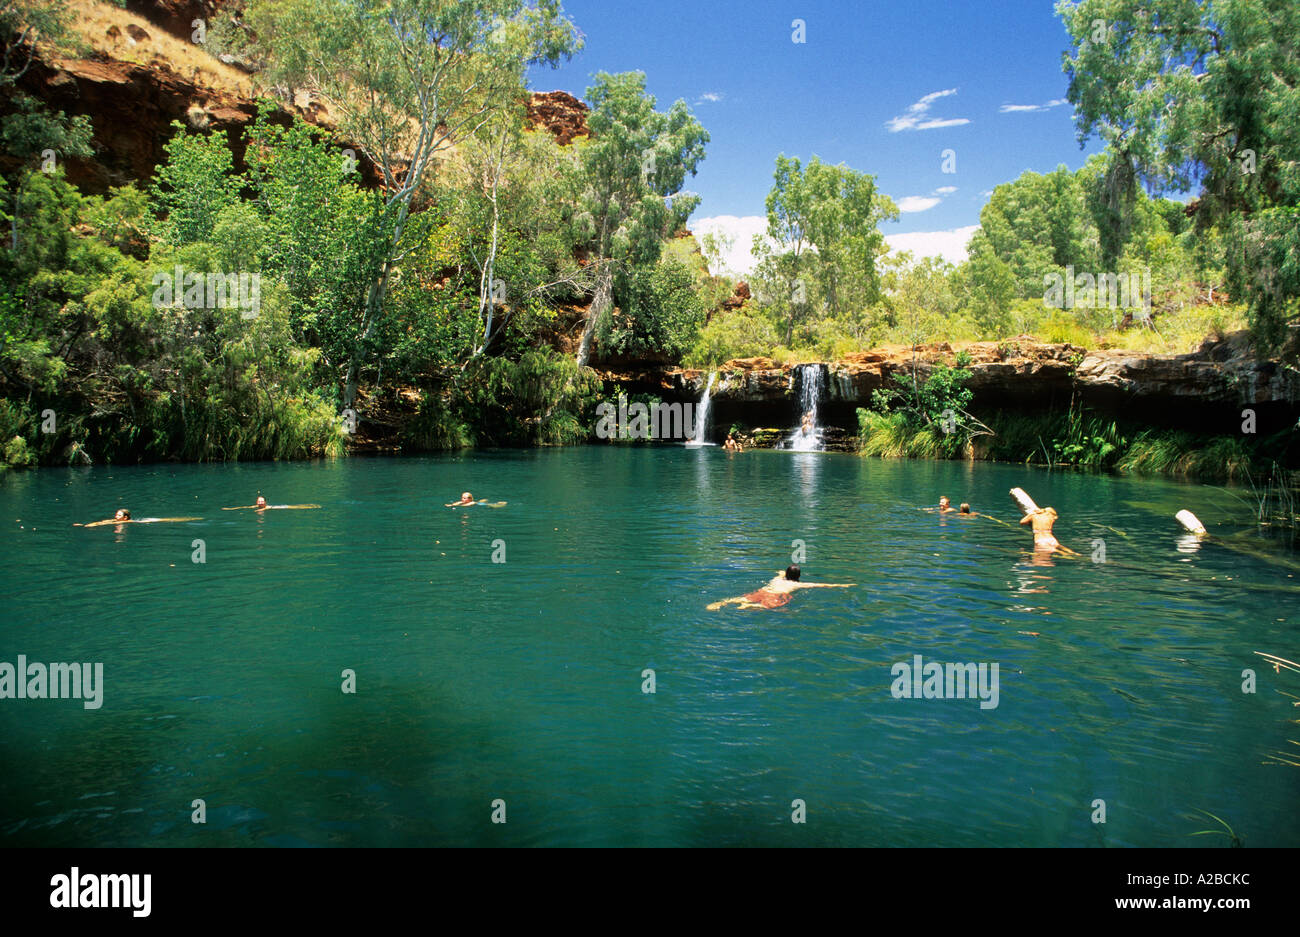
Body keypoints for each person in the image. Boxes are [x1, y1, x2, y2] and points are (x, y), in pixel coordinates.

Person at [707, 565, 854, 611]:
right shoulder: (797, 584)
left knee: (742, 597)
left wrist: (782, 572)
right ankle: (748, 606)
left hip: (763, 590)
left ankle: (723, 602)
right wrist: (842, 585)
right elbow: (822, 585)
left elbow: (780, 573)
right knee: (767, 607)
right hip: (775, 596)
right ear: (798, 576)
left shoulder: (777, 579)